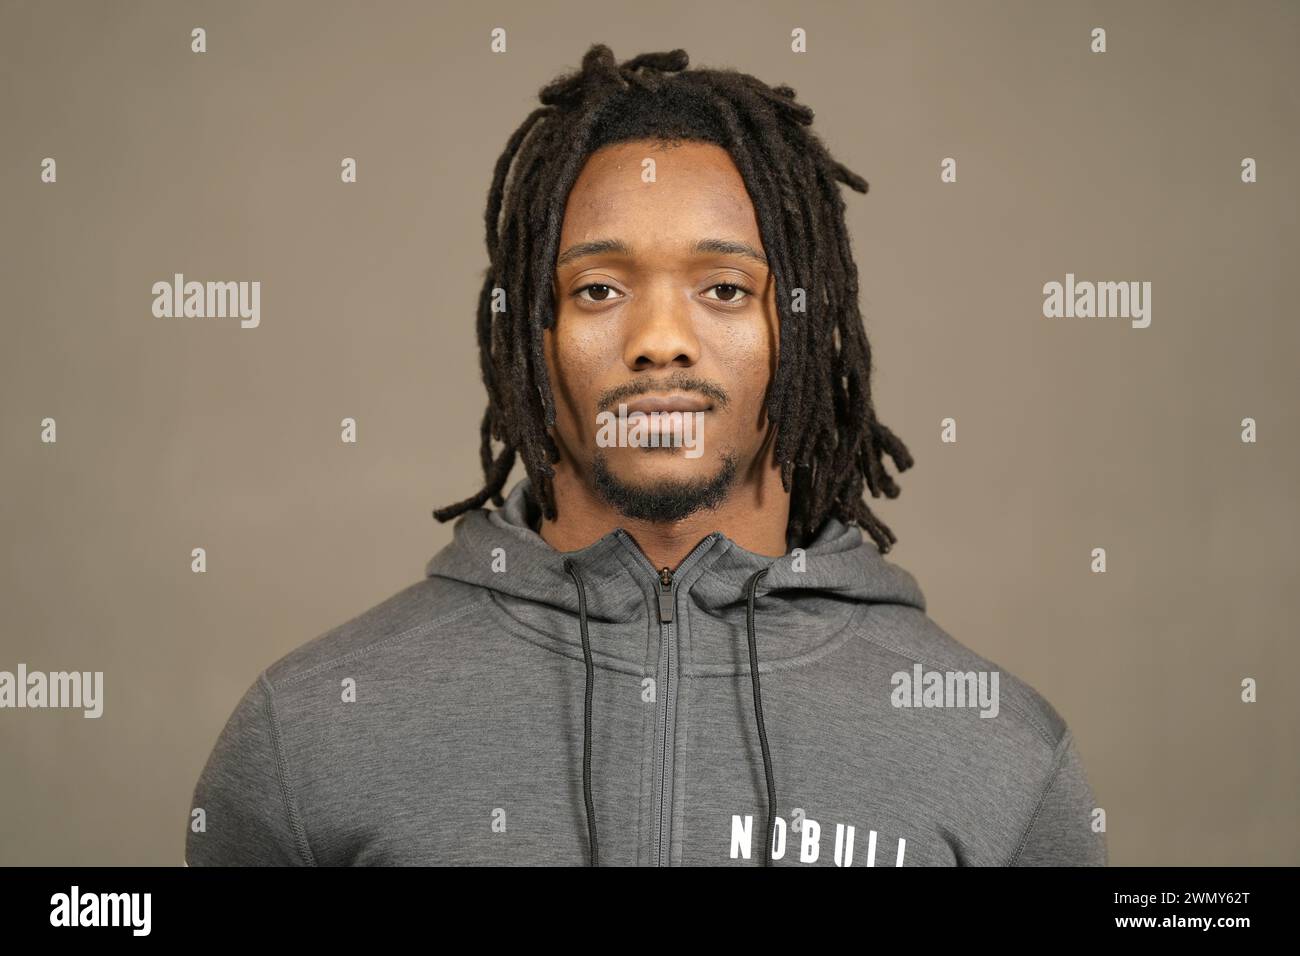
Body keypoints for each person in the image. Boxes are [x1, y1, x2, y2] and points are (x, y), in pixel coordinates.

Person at [186, 44, 1106, 866]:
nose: (660, 339)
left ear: (807, 326)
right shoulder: (311, 735)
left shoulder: (995, 754)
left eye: (722, 288)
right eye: (597, 288)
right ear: (531, 337)